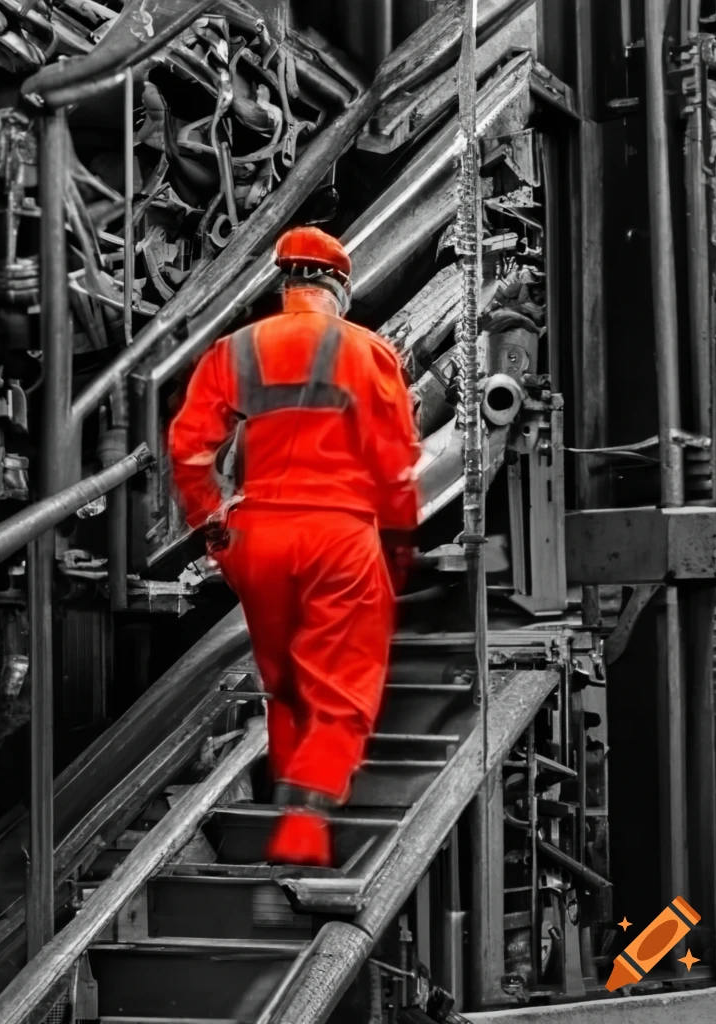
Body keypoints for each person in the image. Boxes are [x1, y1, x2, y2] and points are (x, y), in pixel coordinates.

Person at [167, 226, 420, 867]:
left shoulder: (237, 351)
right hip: (338, 535)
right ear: (338, 285)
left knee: (285, 683)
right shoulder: (367, 352)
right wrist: (396, 550)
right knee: (342, 682)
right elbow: (395, 465)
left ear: (286, 285)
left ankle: (288, 792)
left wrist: (212, 526)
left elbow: (187, 447)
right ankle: (306, 820)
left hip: (261, 539)